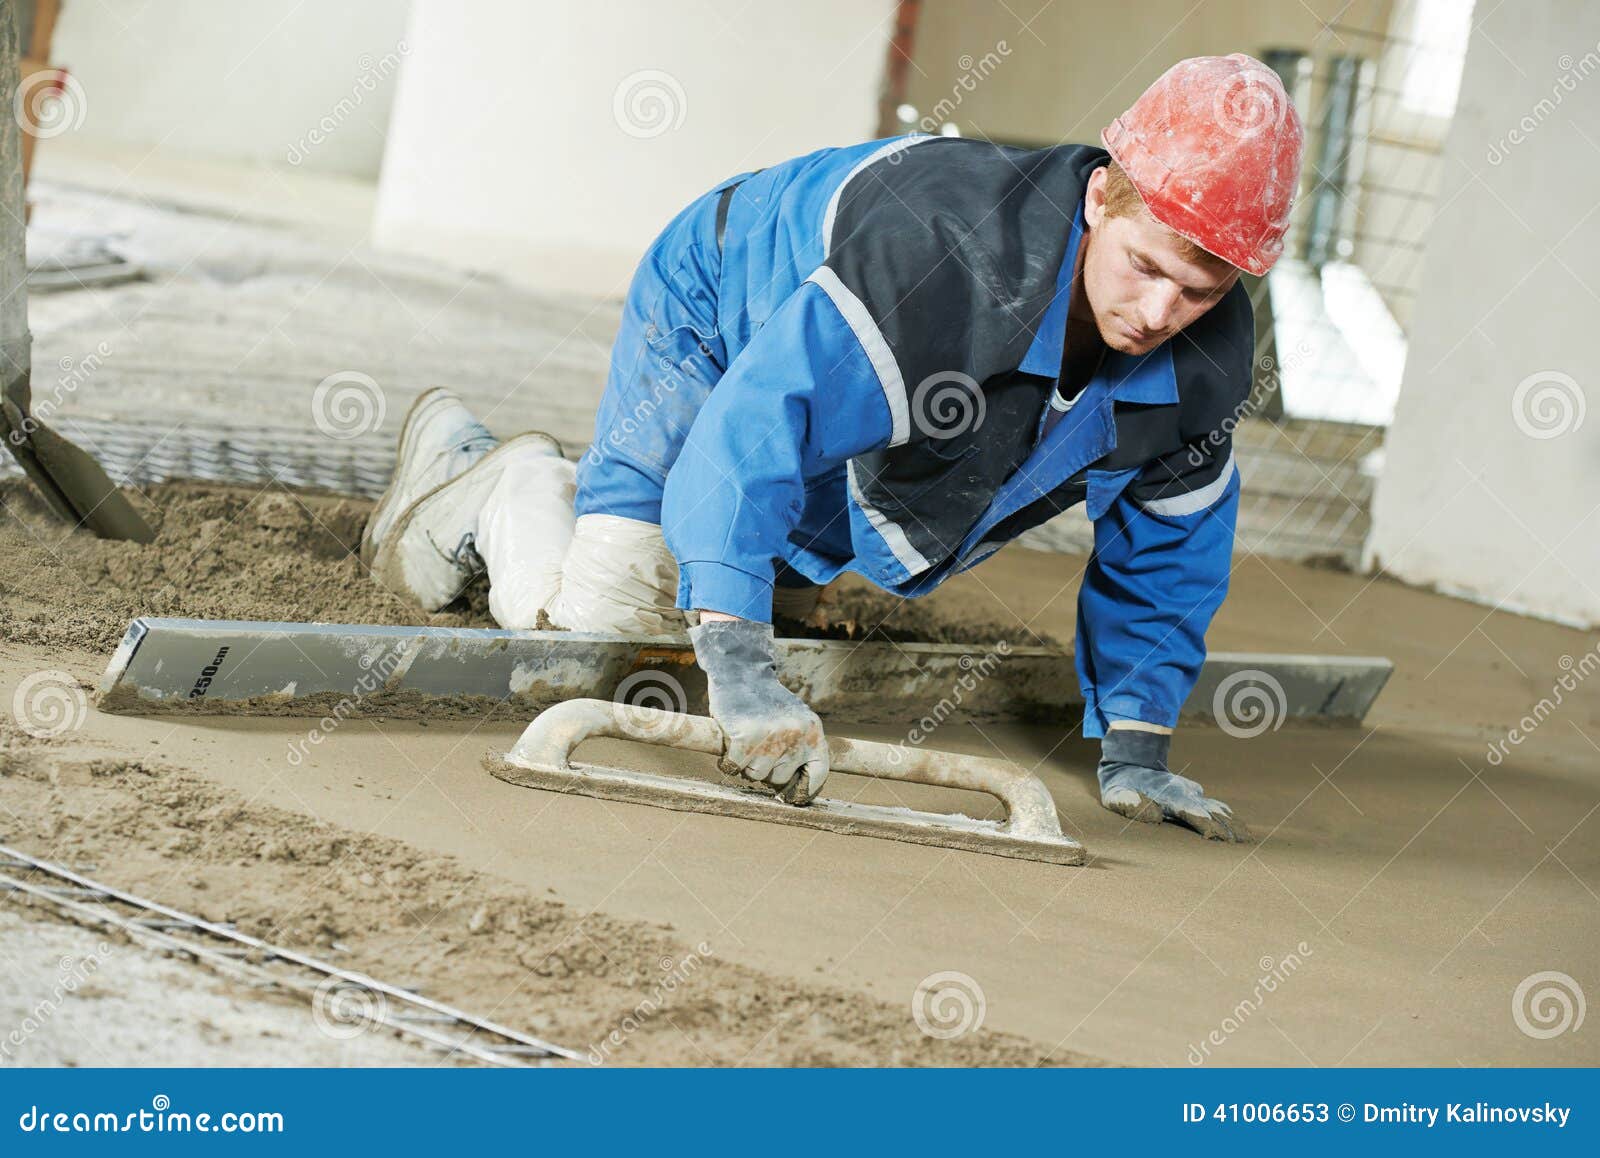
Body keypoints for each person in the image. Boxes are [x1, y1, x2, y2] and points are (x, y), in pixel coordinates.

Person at [360, 54, 1304, 842]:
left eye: (1199, 293)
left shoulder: (1203, 366)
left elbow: (1170, 552)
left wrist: (1138, 746)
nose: (1156, 315)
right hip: (727, 297)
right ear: (1101, 196)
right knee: (618, 631)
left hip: (861, 383)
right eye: (1143, 268)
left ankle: (625, 517)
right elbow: (755, 427)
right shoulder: (940, 256)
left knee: (766, 589)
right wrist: (738, 666)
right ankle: (501, 483)